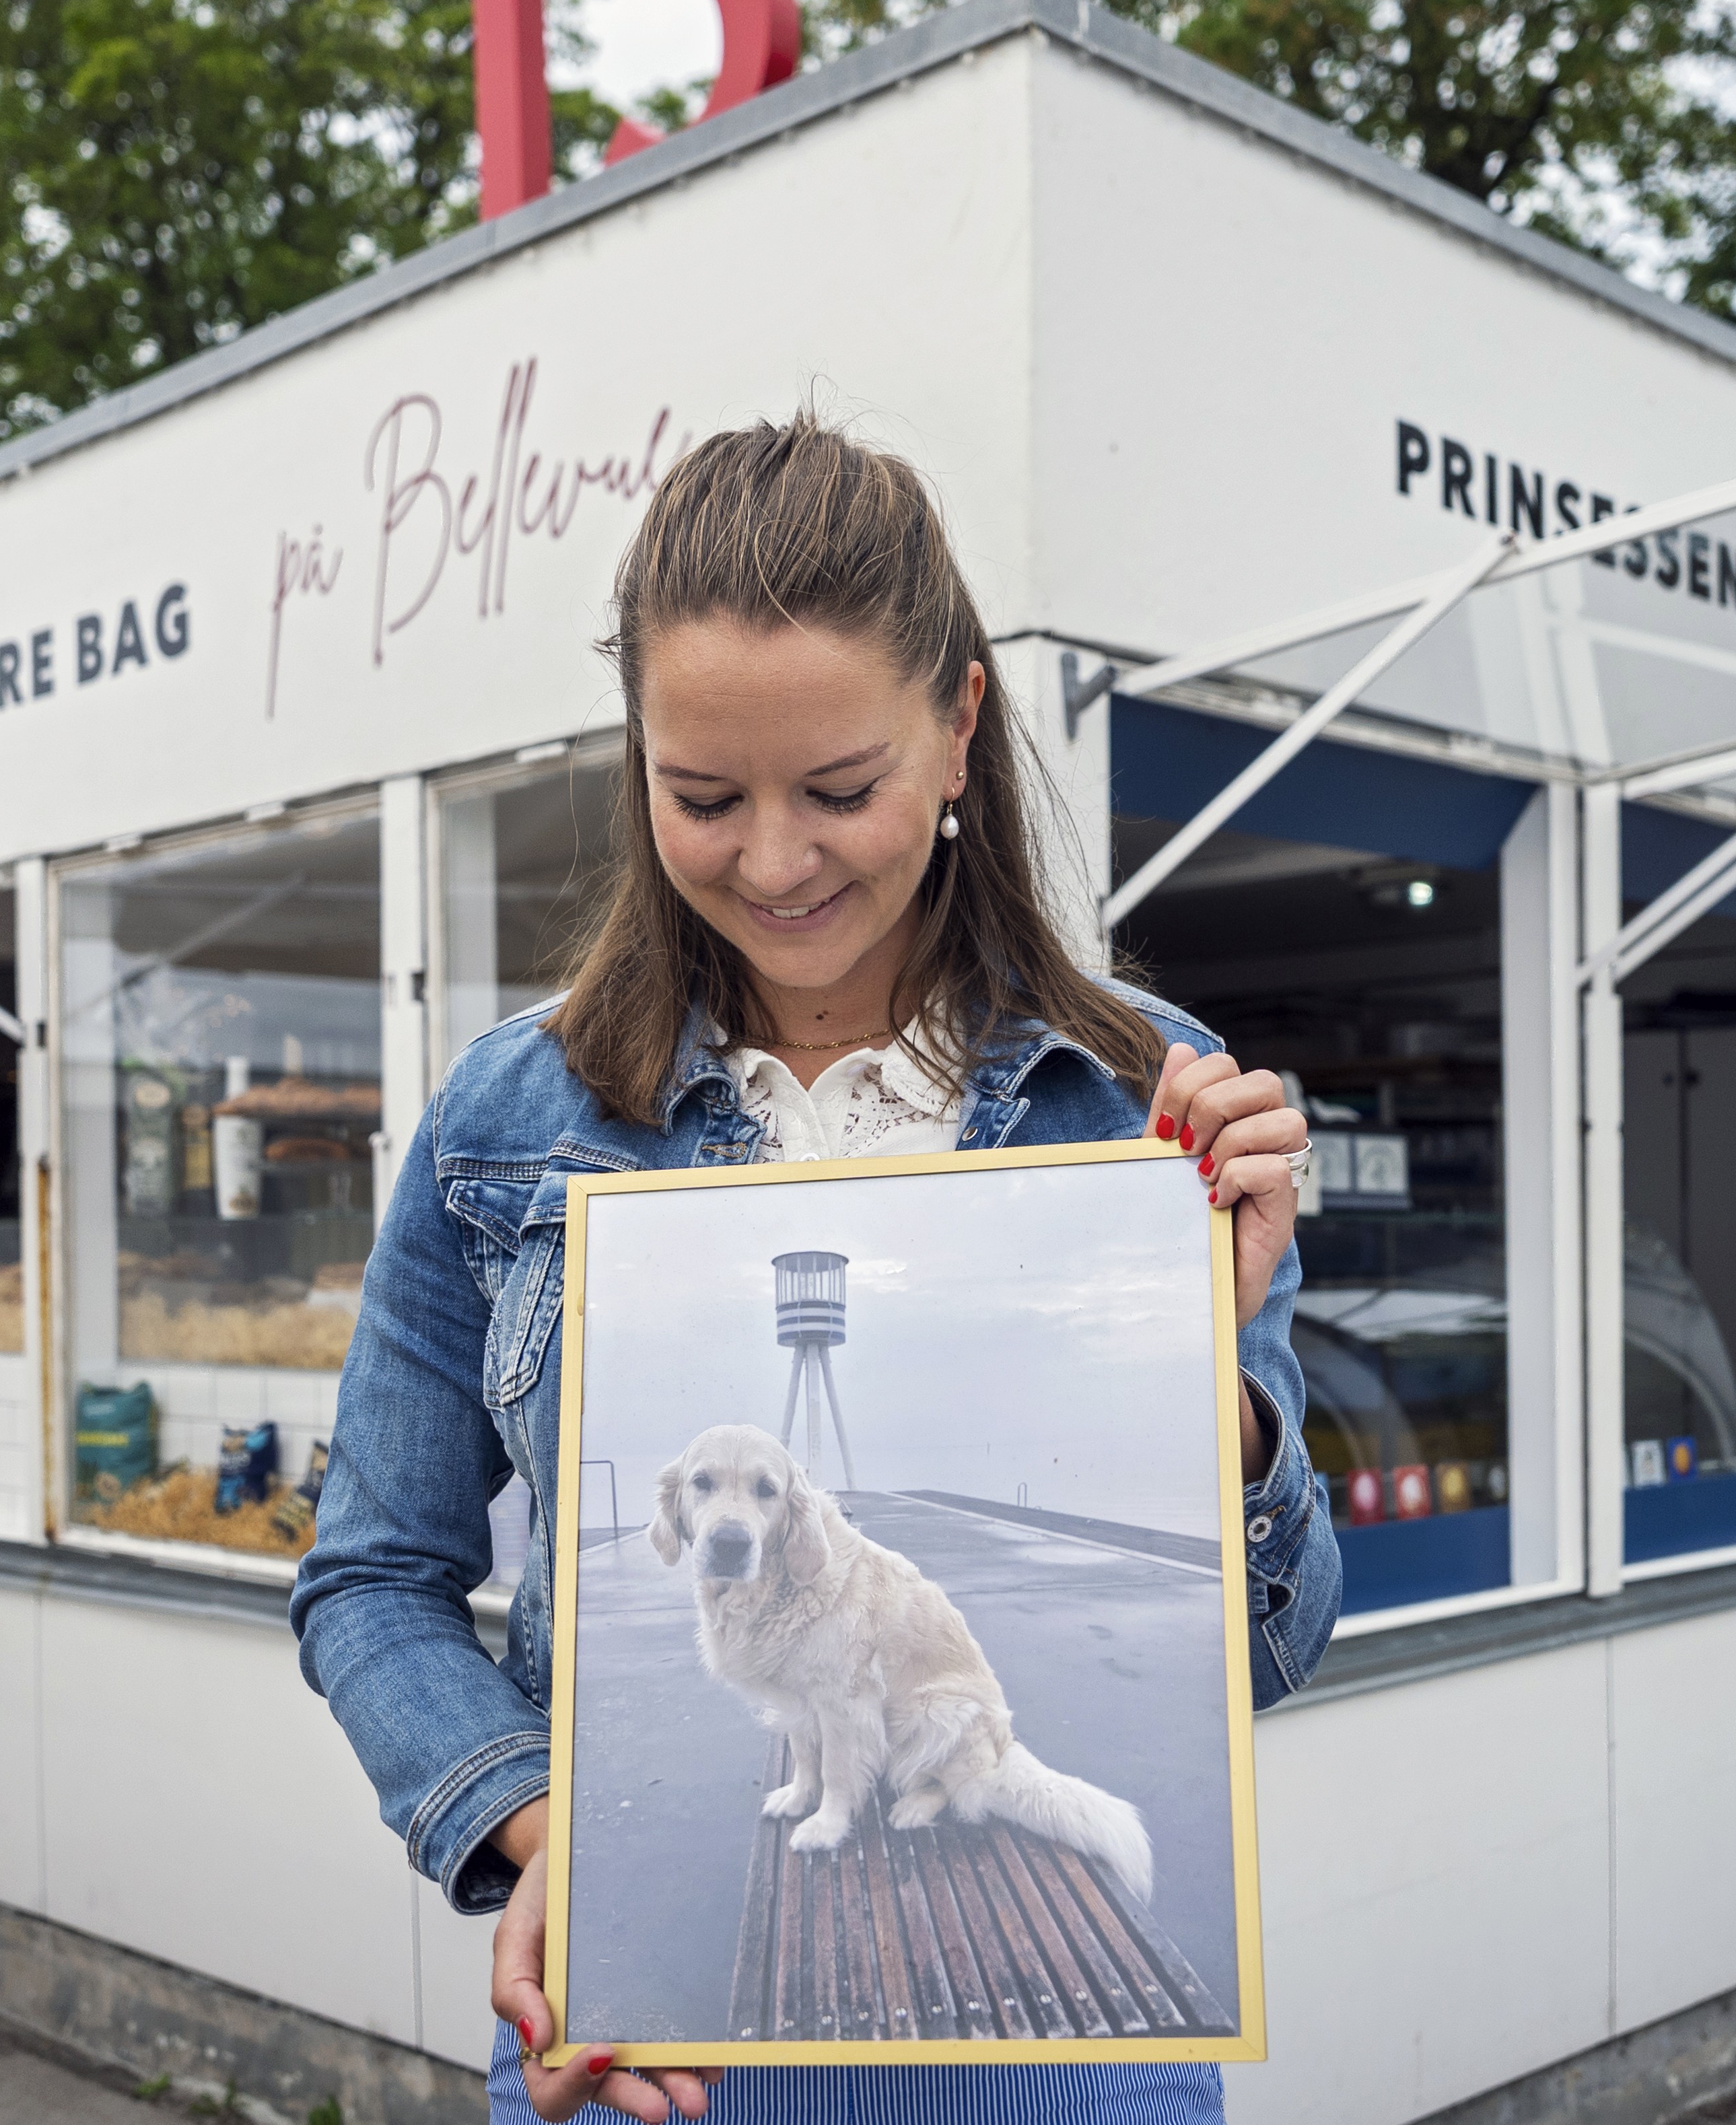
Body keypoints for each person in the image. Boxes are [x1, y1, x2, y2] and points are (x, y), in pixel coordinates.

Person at [295, 414, 1342, 2123]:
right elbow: (369, 1579)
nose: (771, 864)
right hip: (648, 2048)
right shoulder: (506, 1120)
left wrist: (1206, 1391)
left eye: (838, 791)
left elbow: (1274, 1656)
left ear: (959, 728)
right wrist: (545, 1829)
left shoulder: (1143, 1103)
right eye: (700, 796)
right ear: (632, 752)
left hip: (1064, 2074)